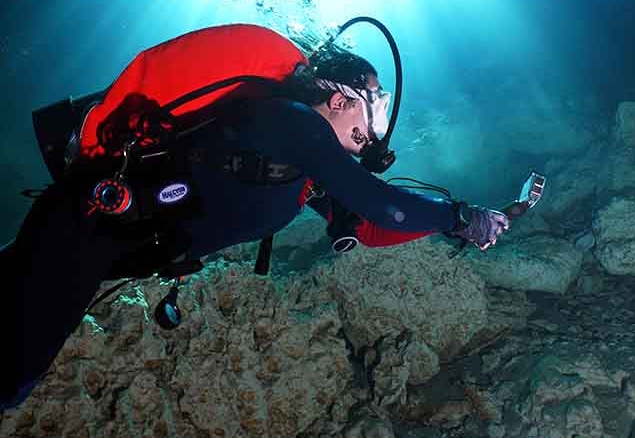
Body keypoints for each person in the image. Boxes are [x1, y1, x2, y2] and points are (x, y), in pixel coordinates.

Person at [1, 22, 509, 410]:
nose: (376, 125)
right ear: (339, 98)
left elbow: (368, 226)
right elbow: (383, 204)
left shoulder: (295, 170)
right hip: (81, 227)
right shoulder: (288, 122)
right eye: (373, 104)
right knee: (11, 375)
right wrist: (460, 216)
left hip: (98, 247)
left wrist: (471, 225)